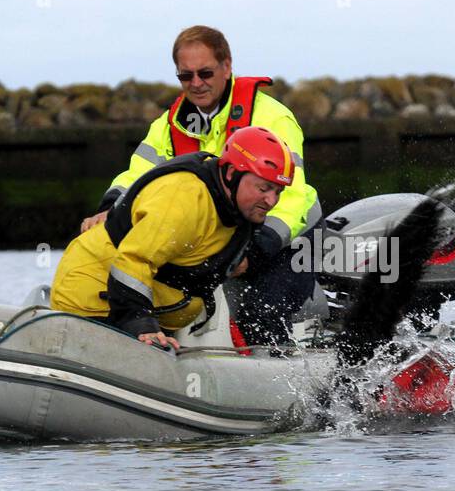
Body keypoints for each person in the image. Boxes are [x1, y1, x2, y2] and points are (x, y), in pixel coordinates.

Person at [80, 25, 321, 344]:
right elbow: (139, 176)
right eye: (185, 76)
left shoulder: (273, 119)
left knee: (260, 311)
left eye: (205, 73)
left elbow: (291, 196)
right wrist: (111, 209)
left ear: (227, 66)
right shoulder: (170, 124)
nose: (196, 83)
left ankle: (276, 379)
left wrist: (256, 250)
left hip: (286, 238)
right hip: (218, 237)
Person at [52, 127, 294, 350]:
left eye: (278, 192)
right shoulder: (185, 199)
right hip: (94, 299)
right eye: (263, 189)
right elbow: (133, 261)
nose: (271, 201)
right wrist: (140, 324)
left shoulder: (238, 209)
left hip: (152, 309)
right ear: (231, 173)